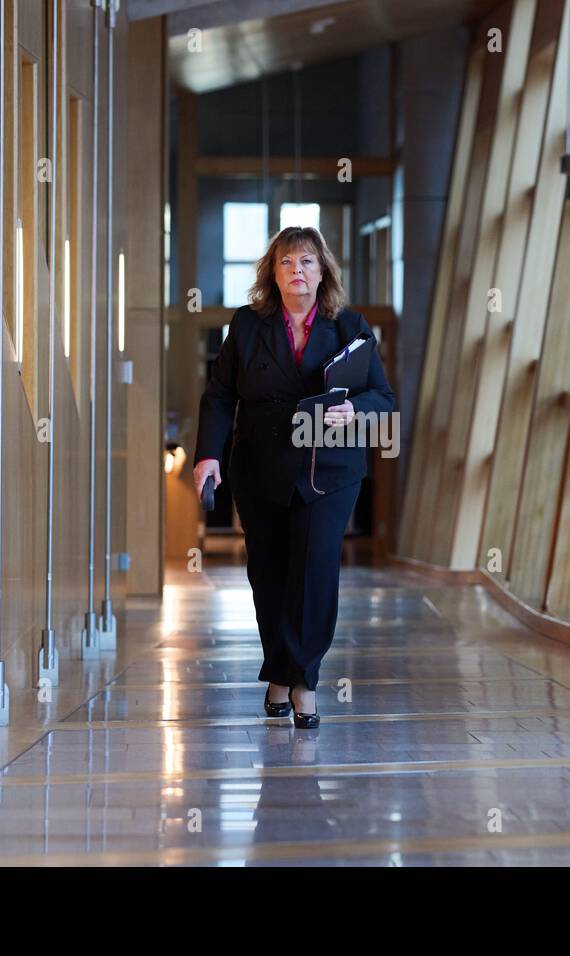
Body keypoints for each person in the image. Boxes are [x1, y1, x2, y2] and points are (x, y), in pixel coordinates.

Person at [193, 226, 395, 728]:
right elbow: (220, 395)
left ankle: (301, 683)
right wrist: (208, 456)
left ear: (322, 270)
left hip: (330, 472)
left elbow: (382, 398)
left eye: (306, 262)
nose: (296, 271)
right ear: (272, 273)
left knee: (316, 571)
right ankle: (280, 672)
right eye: (286, 263)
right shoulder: (246, 325)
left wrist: (356, 410)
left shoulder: (349, 325)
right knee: (268, 575)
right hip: (261, 467)